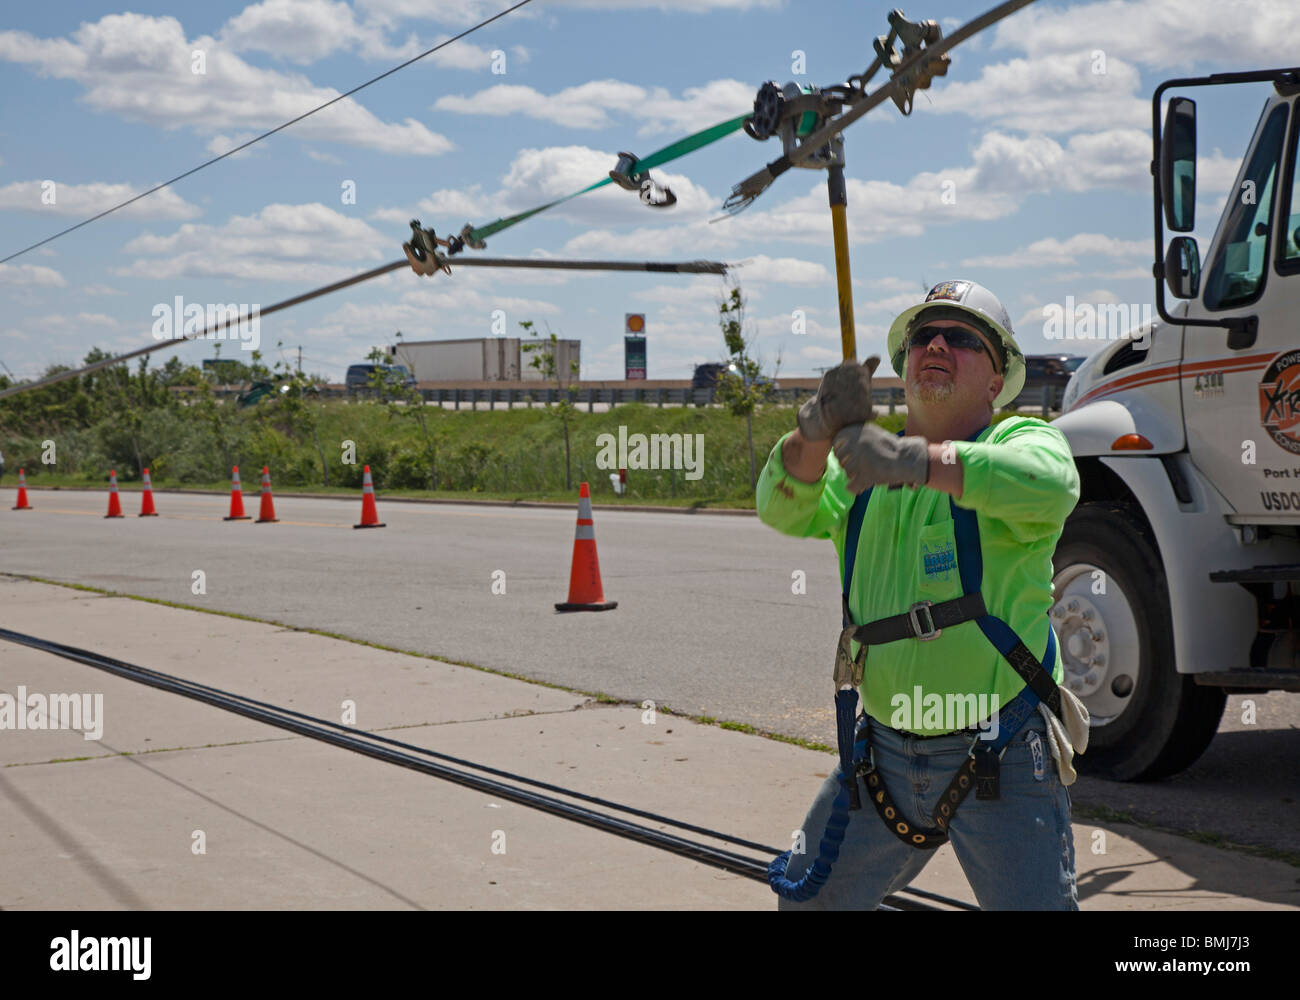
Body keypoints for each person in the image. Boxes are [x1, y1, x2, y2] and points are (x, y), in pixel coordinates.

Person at [756, 279, 1088, 911]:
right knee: (805, 904)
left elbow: (1049, 486)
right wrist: (815, 429)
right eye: (921, 336)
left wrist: (917, 462)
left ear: (997, 380)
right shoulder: (858, 469)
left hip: (999, 751)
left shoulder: (1020, 443)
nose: (935, 343)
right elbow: (782, 505)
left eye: (961, 337)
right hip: (880, 751)